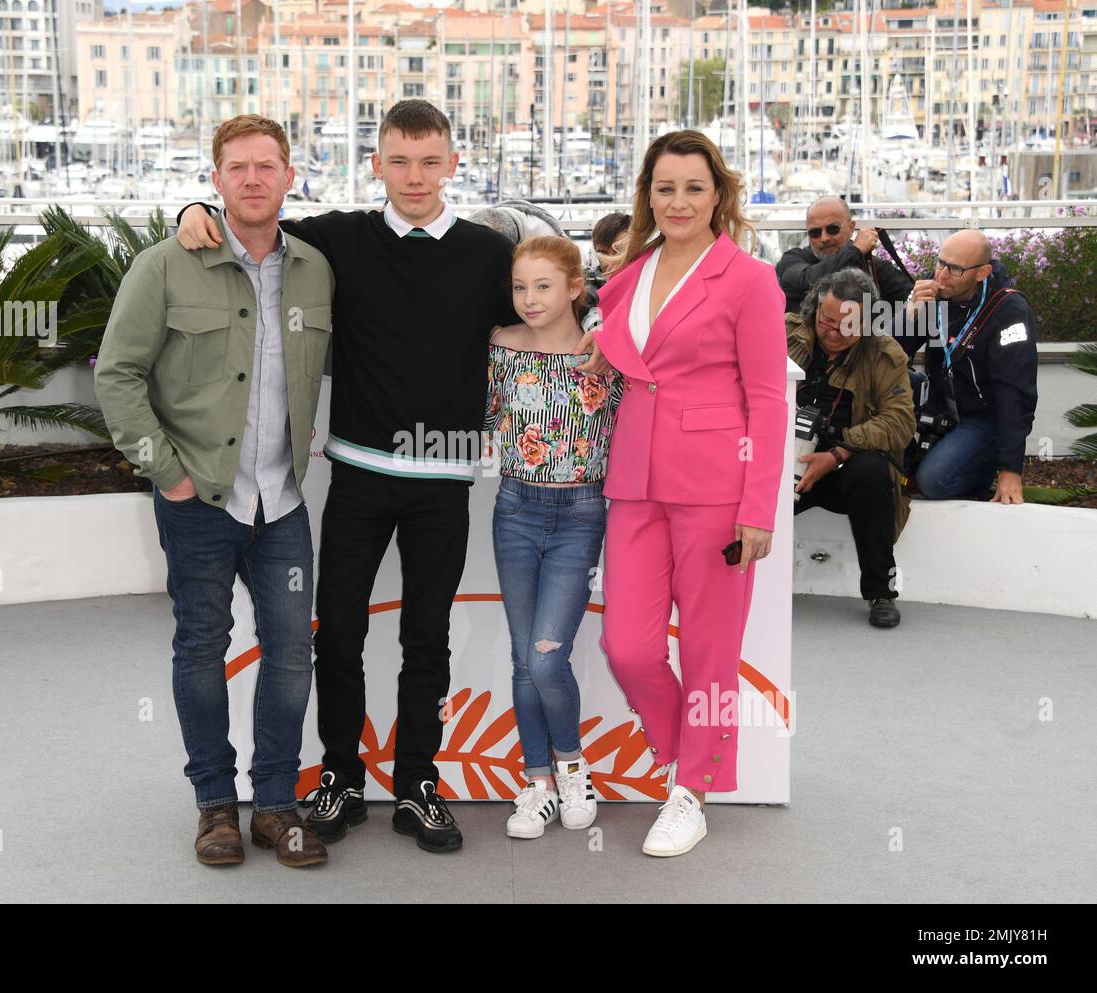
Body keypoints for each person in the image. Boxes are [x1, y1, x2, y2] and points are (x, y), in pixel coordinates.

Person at [175, 101, 608, 852]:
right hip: (358, 476)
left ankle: (417, 782)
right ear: (376, 164)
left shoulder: (485, 253)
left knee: (426, 636)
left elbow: (557, 294)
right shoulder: (338, 239)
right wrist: (191, 207)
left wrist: (601, 335)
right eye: (400, 162)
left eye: (430, 161)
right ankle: (341, 774)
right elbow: (251, 227)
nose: (415, 177)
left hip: (442, 481)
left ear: (452, 165)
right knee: (337, 629)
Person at [94, 115, 333, 868]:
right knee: (201, 644)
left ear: (291, 176)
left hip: (283, 501)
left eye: (268, 165)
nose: (254, 178)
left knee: (293, 650)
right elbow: (116, 374)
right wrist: (166, 471)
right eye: (238, 167)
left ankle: (273, 803)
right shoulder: (165, 264)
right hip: (197, 500)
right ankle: (214, 806)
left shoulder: (317, 270)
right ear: (216, 179)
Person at [591, 129, 788, 858]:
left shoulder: (749, 279)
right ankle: (690, 756)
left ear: (718, 195)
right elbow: (624, 354)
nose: (677, 201)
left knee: (710, 647)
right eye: (664, 187)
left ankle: (692, 791)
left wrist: (757, 508)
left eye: (693, 188)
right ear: (648, 195)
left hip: (716, 485)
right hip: (634, 482)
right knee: (628, 646)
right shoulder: (628, 274)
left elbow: (769, 399)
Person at [486, 235, 623, 839]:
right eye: (520, 287)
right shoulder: (499, 347)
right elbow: (488, 417)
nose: (529, 299)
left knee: (546, 655)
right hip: (514, 507)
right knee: (523, 659)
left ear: (575, 287)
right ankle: (536, 782)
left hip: (581, 513)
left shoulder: (604, 353)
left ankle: (572, 763)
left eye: (543, 286)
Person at [788, 269, 917, 629]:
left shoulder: (884, 355)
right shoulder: (783, 332)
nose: (833, 333)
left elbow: (901, 422)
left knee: (872, 470)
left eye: (847, 327)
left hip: (838, 470)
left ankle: (880, 592)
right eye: (826, 320)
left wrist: (838, 453)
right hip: (778, 462)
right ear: (814, 308)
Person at [908, 229, 1039, 503]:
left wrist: (1010, 468)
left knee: (932, 481)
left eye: (954, 269)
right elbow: (889, 353)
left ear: (982, 272)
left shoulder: (1009, 309)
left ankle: (982, 474)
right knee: (891, 380)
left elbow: (1015, 392)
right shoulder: (936, 293)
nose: (941, 275)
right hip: (940, 403)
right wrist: (911, 312)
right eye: (940, 262)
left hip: (983, 419)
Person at [777, 197, 918, 358]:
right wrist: (855, 251)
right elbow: (806, 280)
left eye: (833, 229)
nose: (824, 238)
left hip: (862, 363)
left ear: (851, 228)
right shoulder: (794, 259)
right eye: (815, 232)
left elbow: (910, 297)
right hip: (807, 362)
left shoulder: (873, 267)